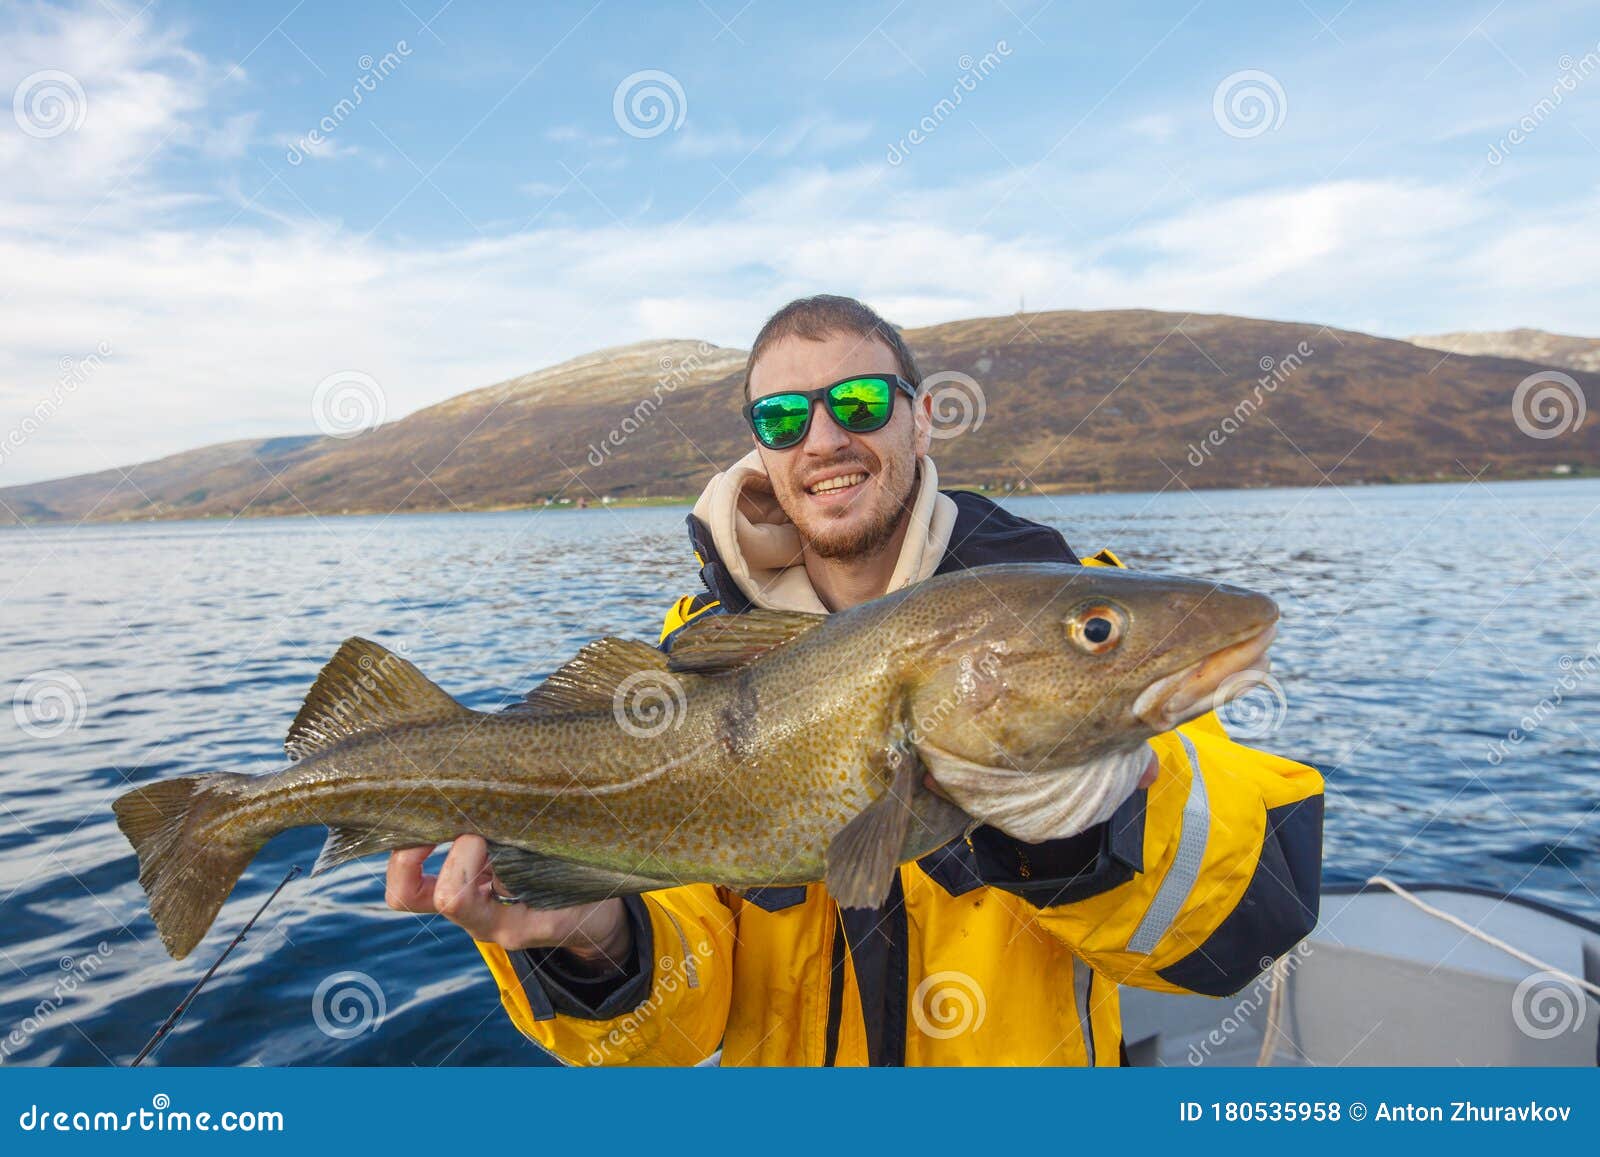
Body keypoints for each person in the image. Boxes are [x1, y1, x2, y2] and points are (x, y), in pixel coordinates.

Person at [385, 294, 1325, 1066]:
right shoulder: (681, 677)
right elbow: (677, 1033)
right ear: (763, 453)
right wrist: (601, 940)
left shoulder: (1067, 619)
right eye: (785, 418)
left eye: (863, 403)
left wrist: (1094, 828)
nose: (826, 436)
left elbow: (1244, 921)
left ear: (922, 418)